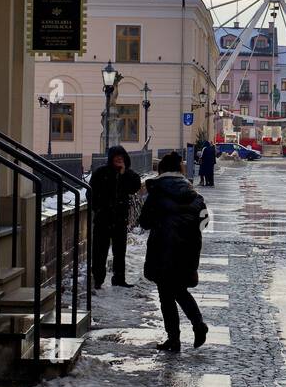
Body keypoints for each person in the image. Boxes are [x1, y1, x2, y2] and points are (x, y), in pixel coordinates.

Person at [138, 151, 208, 353]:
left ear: (161, 170)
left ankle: (175, 339)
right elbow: (205, 222)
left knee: (166, 295)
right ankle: (197, 325)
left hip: (163, 249)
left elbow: (144, 222)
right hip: (188, 250)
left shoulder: (157, 193)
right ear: (180, 171)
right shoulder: (195, 195)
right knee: (179, 291)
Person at [89, 145, 141, 288]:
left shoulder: (128, 174)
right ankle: (98, 279)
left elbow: (135, 187)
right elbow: (91, 193)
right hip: (103, 218)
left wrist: (124, 174)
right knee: (100, 251)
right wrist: (98, 209)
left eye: (121, 156)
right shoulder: (101, 173)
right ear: (111, 158)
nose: (119, 159)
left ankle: (119, 278)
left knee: (119, 251)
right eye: (116, 156)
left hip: (119, 219)